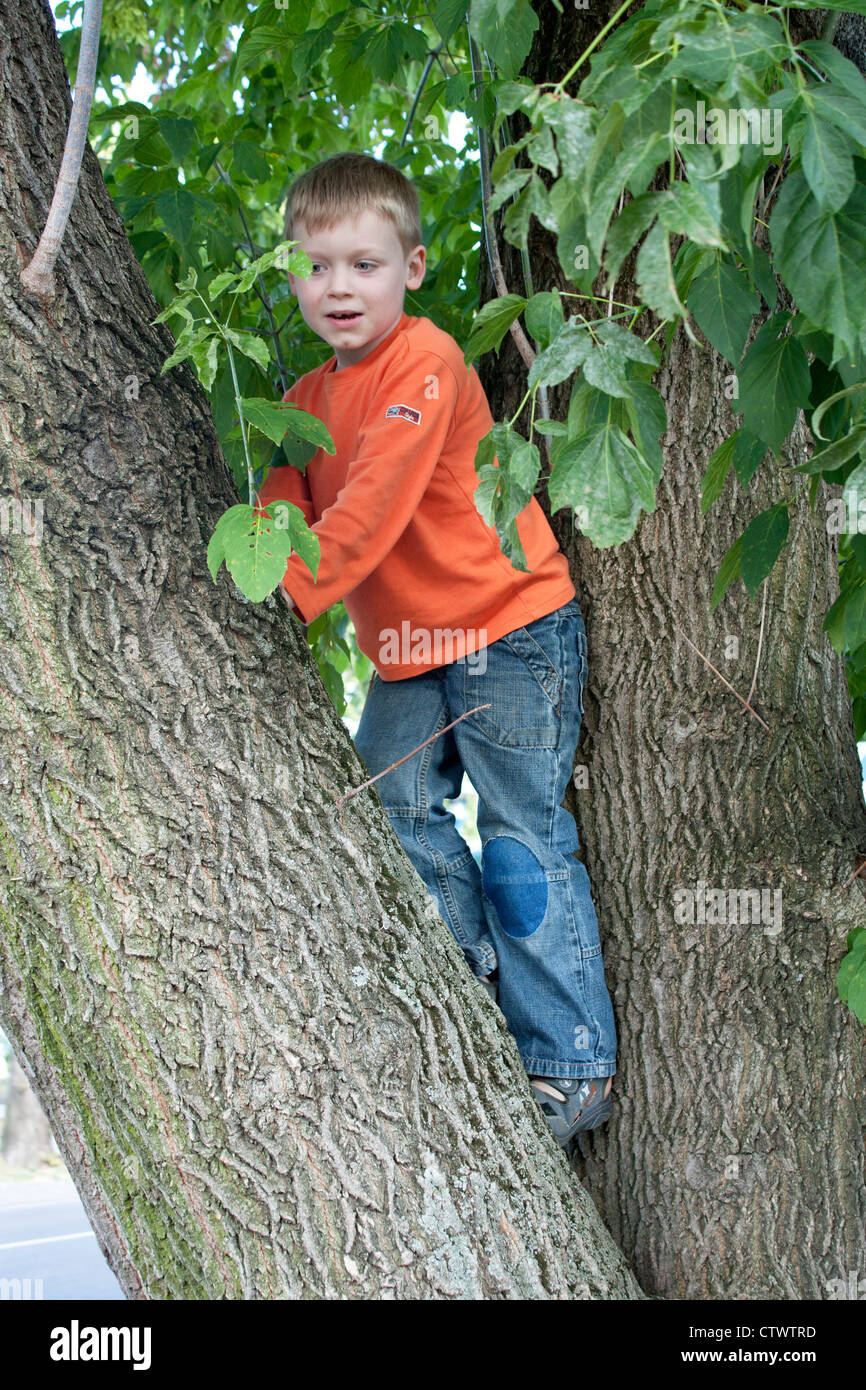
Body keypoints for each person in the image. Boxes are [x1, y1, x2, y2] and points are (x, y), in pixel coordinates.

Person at [257, 152, 617, 1145]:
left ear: (411, 268)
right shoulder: (301, 392)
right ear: (289, 273)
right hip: (409, 652)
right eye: (316, 264)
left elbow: (369, 510)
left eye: (364, 264)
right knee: (391, 803)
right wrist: (266, 522)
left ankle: (568, 1060)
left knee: (518, 835)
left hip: (505, 625)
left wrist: (283, 595)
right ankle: (471, 981)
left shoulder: (425, 359)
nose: (338, 286)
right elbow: (293, 488)